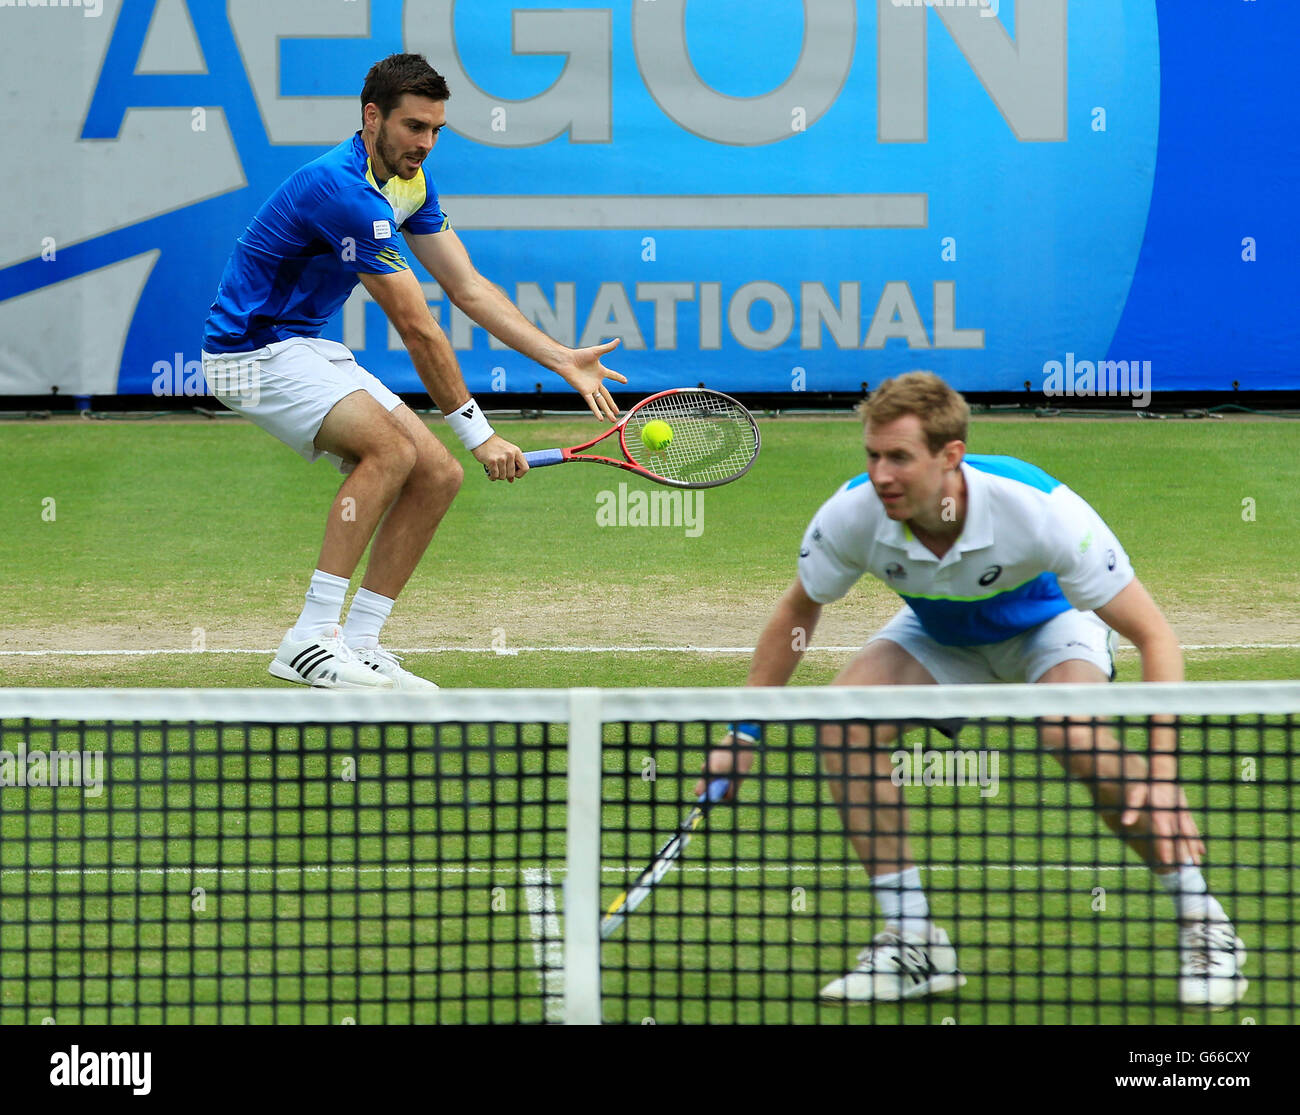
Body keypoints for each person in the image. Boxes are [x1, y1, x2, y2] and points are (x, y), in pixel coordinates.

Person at [697, 371, 1247, 1009]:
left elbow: (1156, 637)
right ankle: (914, 941)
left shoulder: (1038, 508)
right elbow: (798, 610)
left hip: (1048, 626)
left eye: (899, 458)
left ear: (950, 456)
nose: (881, 476)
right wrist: (742, 732)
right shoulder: (853, 513)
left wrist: (1164, 769)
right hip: (942, 632)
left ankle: (1205, 921)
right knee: (843, 719)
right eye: (873, 456)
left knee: (1074, 735)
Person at [201, 54, 625, 689]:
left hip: (301, 345)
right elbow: (417, 326)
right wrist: (482, 434)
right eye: (413, 127)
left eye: (436, 130)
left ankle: (363, 640)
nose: (425, 144)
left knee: (438, 473)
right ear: (372, 118)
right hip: (247, 355)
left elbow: (468, 287)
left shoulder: (409, 183)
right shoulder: (342, 191)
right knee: (393, 451)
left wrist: (560, 357)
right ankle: (310, 638)